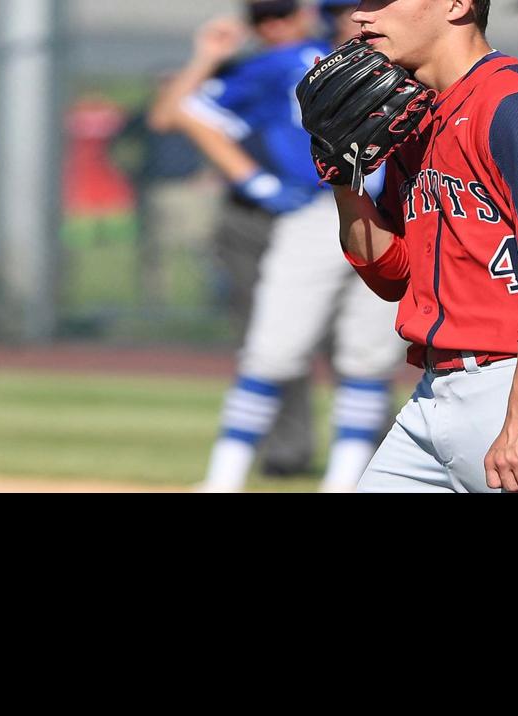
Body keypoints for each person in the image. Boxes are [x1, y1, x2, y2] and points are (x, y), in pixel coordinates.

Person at [334, 0, 518, 494]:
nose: (362, 15)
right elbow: (393, 274)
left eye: (382, 1)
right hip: (434, 390)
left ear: (457, 5)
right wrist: (344, 179)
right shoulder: (414, 118)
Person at [153, 0, 407, 492]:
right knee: (272, 352)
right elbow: (178, 112)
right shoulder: (297, 58)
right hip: (318, 211)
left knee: (368, 361)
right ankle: (221, 480)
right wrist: (256, 182)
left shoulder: (413, 66)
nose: (354, 19)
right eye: (343, 10)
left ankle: (342, 481)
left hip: (395, 216)